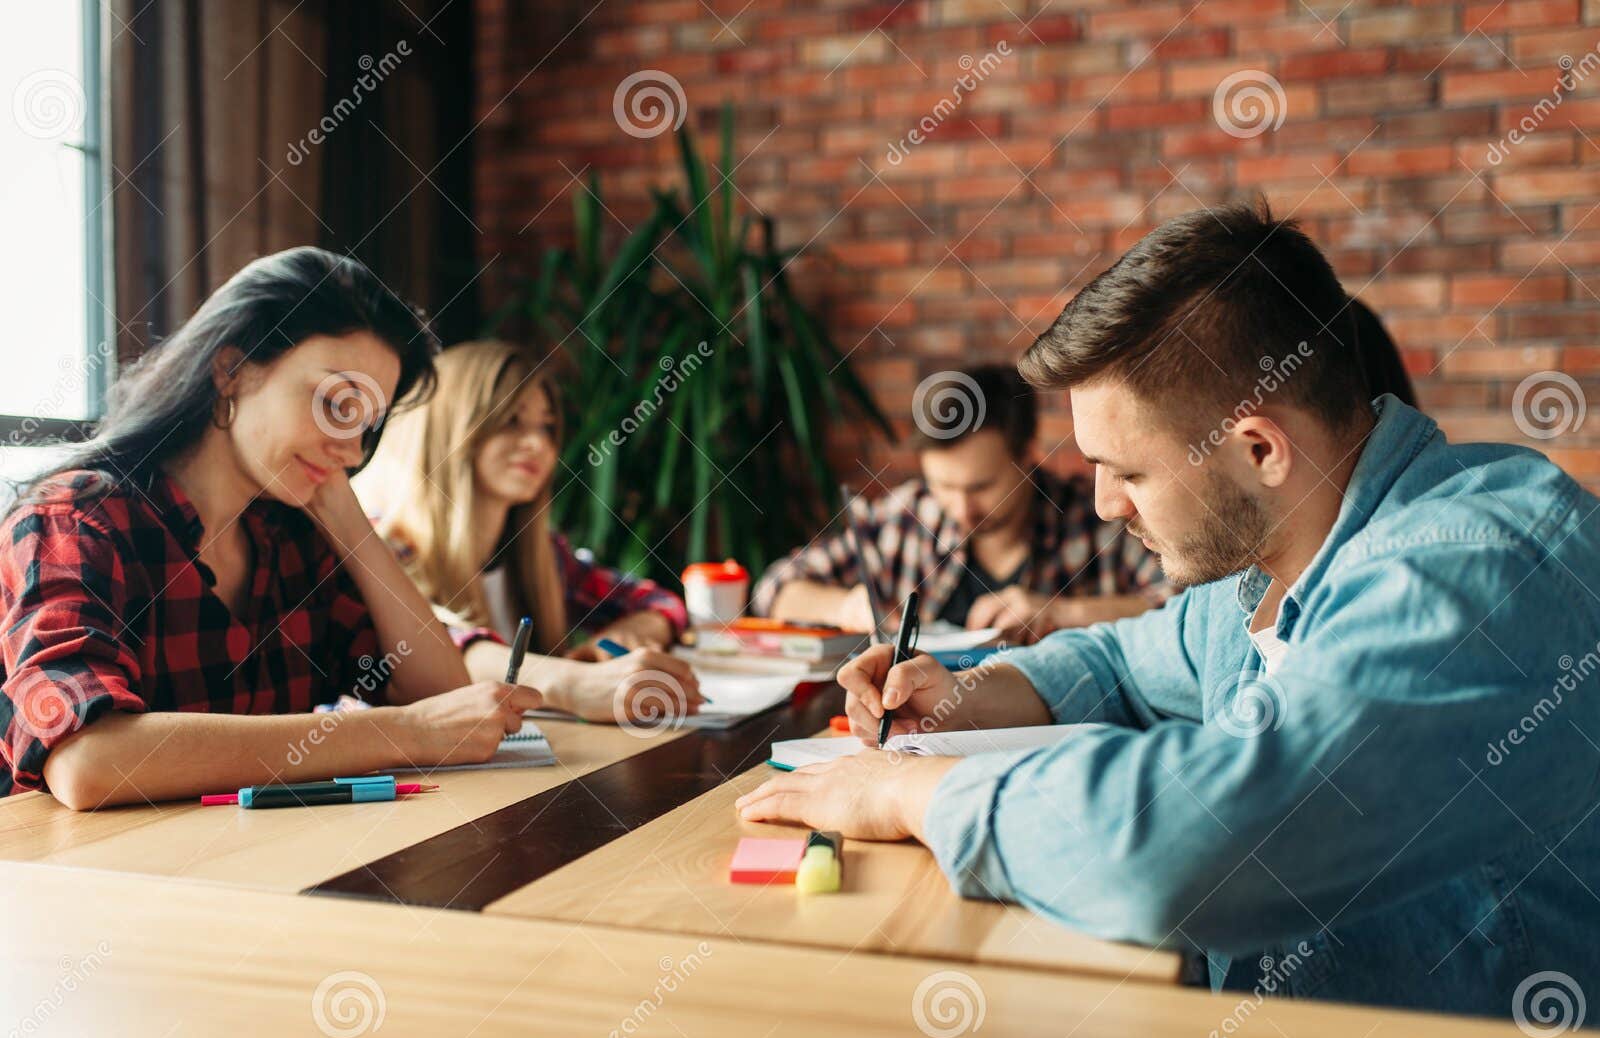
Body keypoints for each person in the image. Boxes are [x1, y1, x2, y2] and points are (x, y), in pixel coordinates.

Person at [735, 200, 1600, 1018]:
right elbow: (1121, 661)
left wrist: (912, 793)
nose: (1106, 504)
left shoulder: (1469, 580)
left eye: (1129, 472)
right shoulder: (1268, 562)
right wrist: (969, 692)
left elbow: (1184, 853)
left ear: (1259, 449)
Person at [0, 248, 540, 808]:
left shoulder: (290, 538)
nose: (353, 451)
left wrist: (347, 519)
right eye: (337, 403)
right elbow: (87, 761)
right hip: (80, 882)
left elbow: (443, 696)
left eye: (368, 428)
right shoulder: (74, 520)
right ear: (231, 370)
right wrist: (402, 732)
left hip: (249, 873)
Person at [355, 340, 703, 724]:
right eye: (511, 422)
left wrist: (637, 629)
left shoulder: (543, 555)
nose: (537, 444)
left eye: (547, 426)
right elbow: (429, 649)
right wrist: (572, 684)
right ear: (449, 429)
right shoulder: (380, 549)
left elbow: (658, 601)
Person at [752, 364, 1167, 644]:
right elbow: (774, 587)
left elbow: (1185, 608)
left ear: (1026, 455)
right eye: (944, 485)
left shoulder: (1098, 521)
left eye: (982, 486)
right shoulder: (908, 515)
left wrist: (1065, 613)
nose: (961, 507)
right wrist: (845, 606)